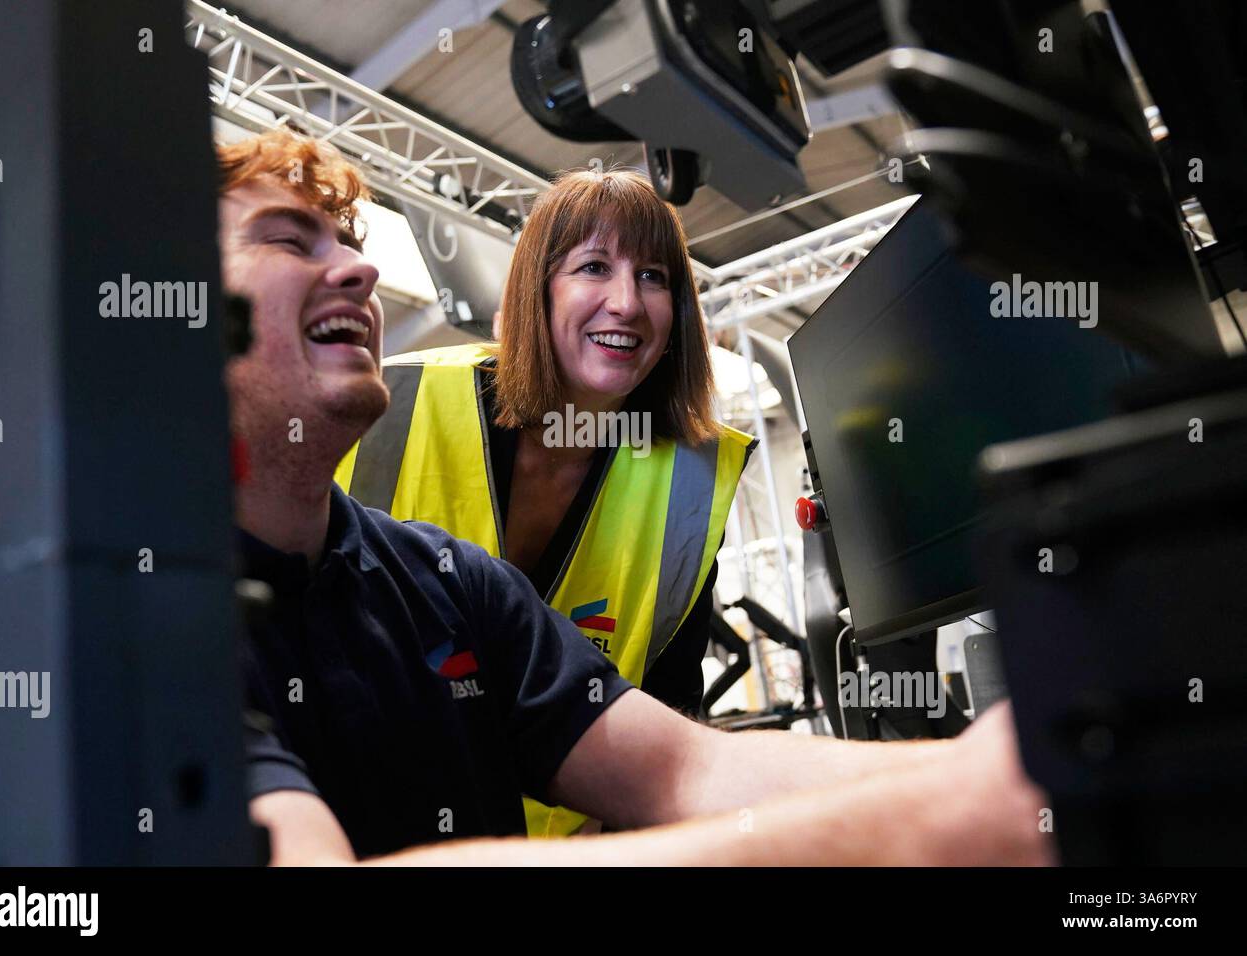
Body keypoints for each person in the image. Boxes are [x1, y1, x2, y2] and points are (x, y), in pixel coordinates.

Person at [220, 129, 1054, 866]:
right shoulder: (137, 606)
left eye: (654, 277)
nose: (361, 269)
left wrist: (1020, 770)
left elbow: (688, 766)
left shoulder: (452, 582)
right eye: (290, 241)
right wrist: (941, 820)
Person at [335, 168, 752, 836]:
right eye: (593, 267)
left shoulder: (692, 479)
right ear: (538, 291)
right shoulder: (388, 405)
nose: (627, 302)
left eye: (654, 277)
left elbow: (672, 708)